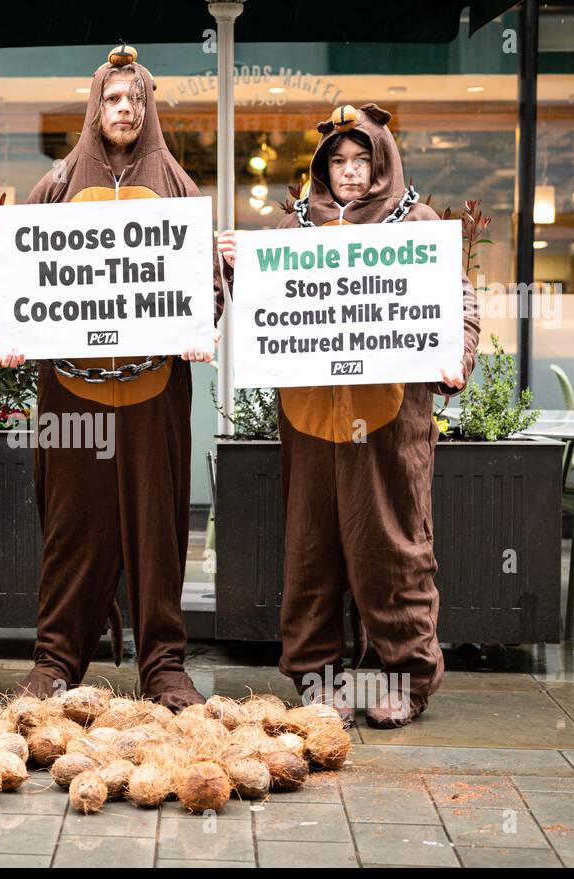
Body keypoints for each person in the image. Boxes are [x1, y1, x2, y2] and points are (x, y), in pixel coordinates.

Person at [218, 104, 481, 727]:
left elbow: (460, 299)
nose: (351, 172)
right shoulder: (291, 228)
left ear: (382, 160)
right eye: (338, 161)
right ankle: (318, 677)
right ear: (322, 168)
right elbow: (265, 314)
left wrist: (456, 356)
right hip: (310, 420)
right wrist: (238, 268)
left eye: (362, 159)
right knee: (311, 550)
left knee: (393, 547)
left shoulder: (414, 222)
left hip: (390, 420)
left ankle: (407, 679)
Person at [0, 45, 223, 712]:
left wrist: (207, 308)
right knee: (71, 527)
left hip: (154, 396)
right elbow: (21, 279)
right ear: (95, 109)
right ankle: (56, 657)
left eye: (135, 99)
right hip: (73, 396)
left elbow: (203, 287)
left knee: (159, 527)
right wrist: (10, 334)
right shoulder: (56, 185)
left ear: (148, 109)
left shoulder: (180, 190)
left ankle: (164, 663)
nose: (124, 108)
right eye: (111, 98)